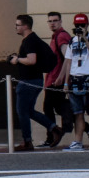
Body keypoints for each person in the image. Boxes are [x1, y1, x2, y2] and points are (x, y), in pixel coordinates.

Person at [8, 13, 57, 151]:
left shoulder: (29, 41)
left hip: (28, 82)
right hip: (35, 80)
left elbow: (31, 60)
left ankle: (27, 141)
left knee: (22, 111)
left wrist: (17, 59)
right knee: (28, 111)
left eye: (17, 25)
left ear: (25, 26)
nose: (16, 27)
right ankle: (54, 129)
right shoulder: (33, 39)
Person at [59, 12, 89, 151]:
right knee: (77, 113)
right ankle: (78, 141)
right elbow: (68, 62)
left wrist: (84, 39)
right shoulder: (72, 41)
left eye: (82, 25)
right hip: (75, 79)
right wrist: (66, 82)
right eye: (77, 25)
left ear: (87, 25)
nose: (80, 27)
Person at [42, 12, 74, 148]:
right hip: (52, 79)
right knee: (59, 108)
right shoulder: (56, 37)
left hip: (56, 81)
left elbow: (68, 58)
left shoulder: (61, 37)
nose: (52, 23)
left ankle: (52, 136)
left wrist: (62, 78)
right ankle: (86, 128)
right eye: (50, 21)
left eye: (55, 20)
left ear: (60, 21)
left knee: (48, 108)